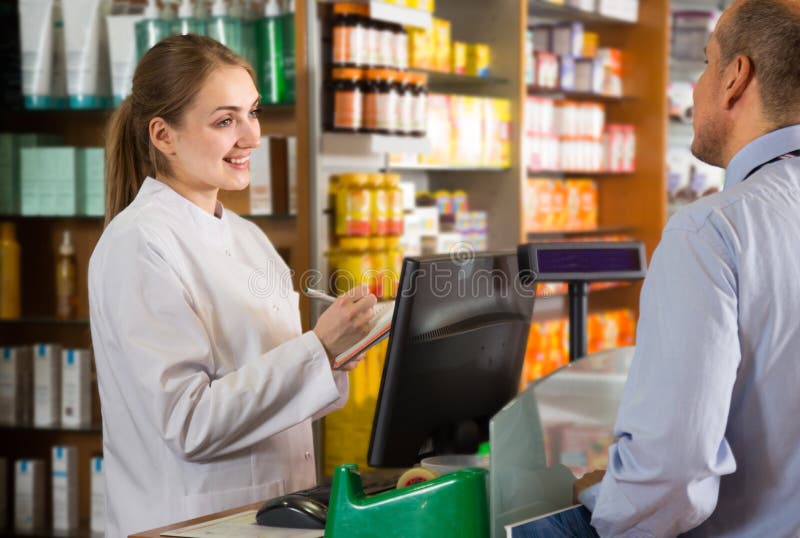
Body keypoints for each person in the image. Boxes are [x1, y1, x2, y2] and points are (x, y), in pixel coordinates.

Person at [89, 35, 377, 537]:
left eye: (253, 112)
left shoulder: (248, 238)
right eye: (225, 121)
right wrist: (317, 349)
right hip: (187, 523)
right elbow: (188, 423)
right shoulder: (138, 245)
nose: (252, 137)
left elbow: (273, 379)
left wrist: (334, 353)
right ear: (163, 135)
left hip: (270, 513)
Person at [573, 0, 800, 535]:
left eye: (704, 62)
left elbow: (667, 484)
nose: (695, 88)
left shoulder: (712, 231)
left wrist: (597, 490)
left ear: (735, 78)